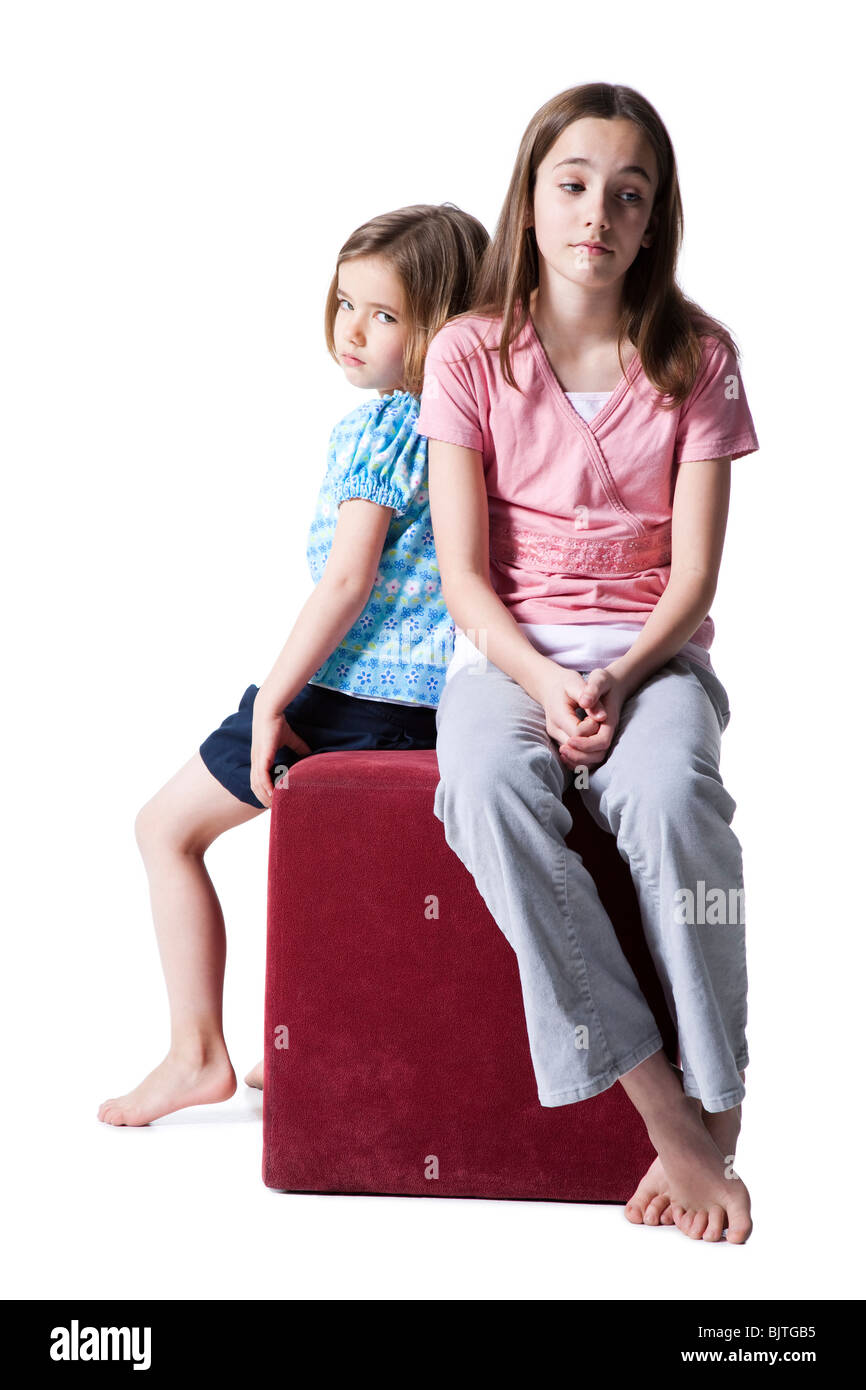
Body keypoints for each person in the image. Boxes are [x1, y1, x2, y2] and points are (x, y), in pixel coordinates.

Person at [415, 83, 760, 1243]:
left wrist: (616, 679)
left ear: (654, 218)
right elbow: (465, 572)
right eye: (571, 184)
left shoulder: (697, 357)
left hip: (649, 661)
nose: (595, 212)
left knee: (672, 801)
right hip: (510, 657)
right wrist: (540, 675)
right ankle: (666, 1111)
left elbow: (692, 577)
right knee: (486, 788)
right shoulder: (468, 353)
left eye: (627, 192)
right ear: (529, 197)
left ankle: (723, 1107)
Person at [98, 203, 489, 1127]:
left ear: (437, 327)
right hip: (431, 705)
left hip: (349, 695)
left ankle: (196, 1053)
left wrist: (274, 697)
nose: (352, 329)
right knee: (324, 859)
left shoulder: (387, 427)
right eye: (346, 302)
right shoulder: (469, 430)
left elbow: (348, 580)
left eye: (384, 315)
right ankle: (297, 1038)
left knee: (164, 829)